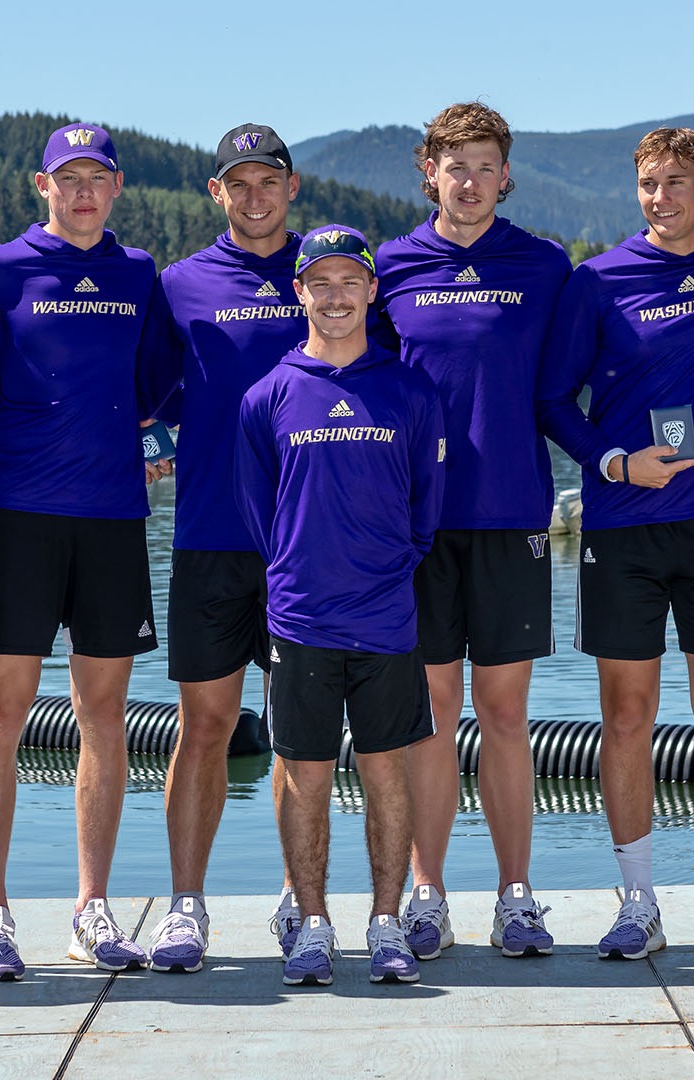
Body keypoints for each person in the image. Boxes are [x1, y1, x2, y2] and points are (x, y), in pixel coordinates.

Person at [534, 127, 694, 961]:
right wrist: (612, 460)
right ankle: (637, 902)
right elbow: (554, 398)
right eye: (648, 183)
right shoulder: (596, 280)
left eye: (677, 181)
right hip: (620, 527)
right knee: (627, 715)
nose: (661, 197)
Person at [371, 102, 572, 959]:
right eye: (455, 165)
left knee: (503, 710)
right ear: (430, 172)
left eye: (486, 165)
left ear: (504, 174)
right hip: (418, 525)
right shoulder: (391, 266)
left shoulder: (543, 265)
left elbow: (569, 385)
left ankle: (516, 895)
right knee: (430, 710)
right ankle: (427, 894)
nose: (470, 180)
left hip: (512, 517)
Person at [0, 123, 162, 974]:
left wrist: (136, 441)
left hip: (113, 520)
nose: (82, 192)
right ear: (40, 187)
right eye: (66, 178)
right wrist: (27, 438)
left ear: (117, 187)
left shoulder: (140, 273)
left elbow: (155, 383)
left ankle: (91, 908)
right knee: (2, 715)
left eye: (97, 178)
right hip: (20, 517)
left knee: (104, 718)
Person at [235, 226, 445, 986]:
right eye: (318, 282)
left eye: (348, 281)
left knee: (388, 772)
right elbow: (259, 513)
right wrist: (301, 571)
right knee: (304, 777)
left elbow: (426, 513)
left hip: (387, 618)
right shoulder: (269, 396)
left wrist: (380, 570)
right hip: (300, 621)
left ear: (371, 290)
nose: (334, 295)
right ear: (299, 293)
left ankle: (386, 924)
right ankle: (314, 924)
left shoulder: (410, 391)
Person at [136, 123, 307, 972]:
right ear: (216, 193)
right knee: (203, 727)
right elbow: (141, 394)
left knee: (297, 732)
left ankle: (295, 900)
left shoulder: (333, 272)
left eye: (267, 182)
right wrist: (151, 444)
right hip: (209, 537)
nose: (253, 197)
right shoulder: (180, 284)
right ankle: (186, 907)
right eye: (237, 184)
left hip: (310, 545)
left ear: (292, 187)